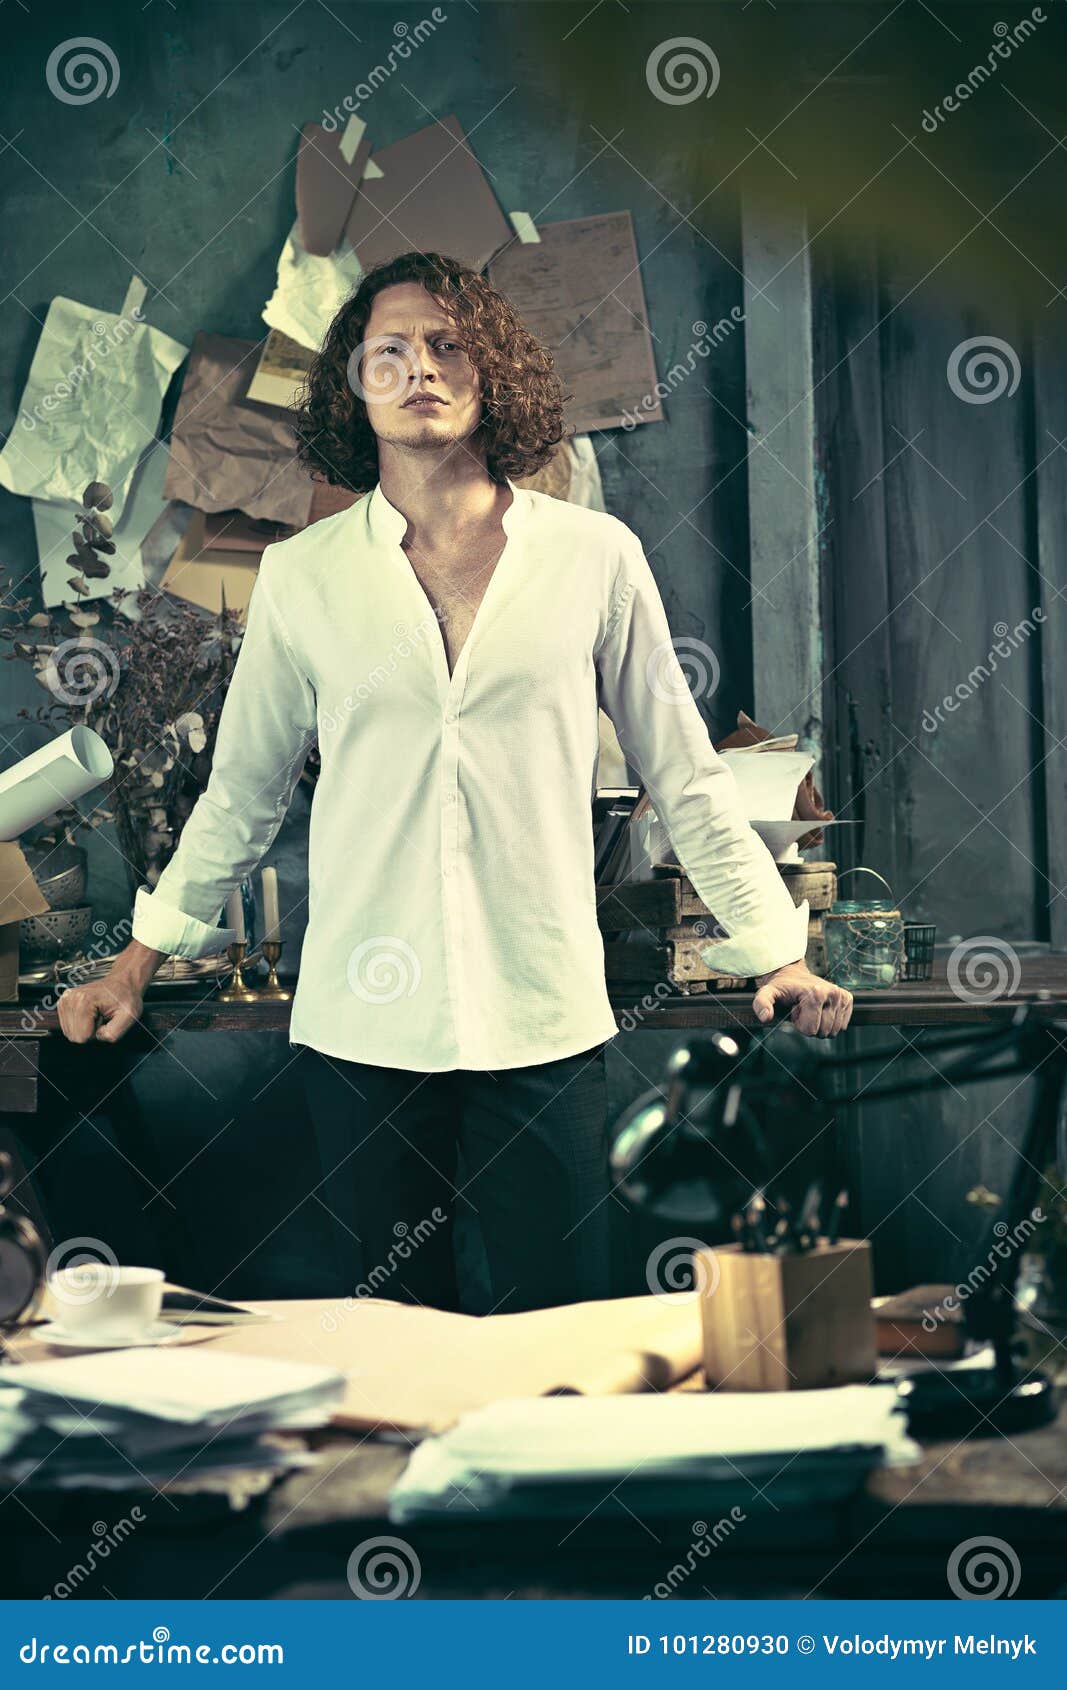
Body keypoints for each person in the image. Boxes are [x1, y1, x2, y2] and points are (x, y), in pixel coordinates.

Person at [58, 250, 853, 1312]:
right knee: (393, 1341)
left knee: (560, 1330)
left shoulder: (593, 556)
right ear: (354, 385)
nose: (420, 368)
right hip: (362, 1028)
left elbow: (684, 776)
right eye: (388, 351)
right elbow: (241, 796)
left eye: (446, 344)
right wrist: (133, 966)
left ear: (494, 372)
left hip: (542, 1014)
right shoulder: (302, 575)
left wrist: (776, 952)